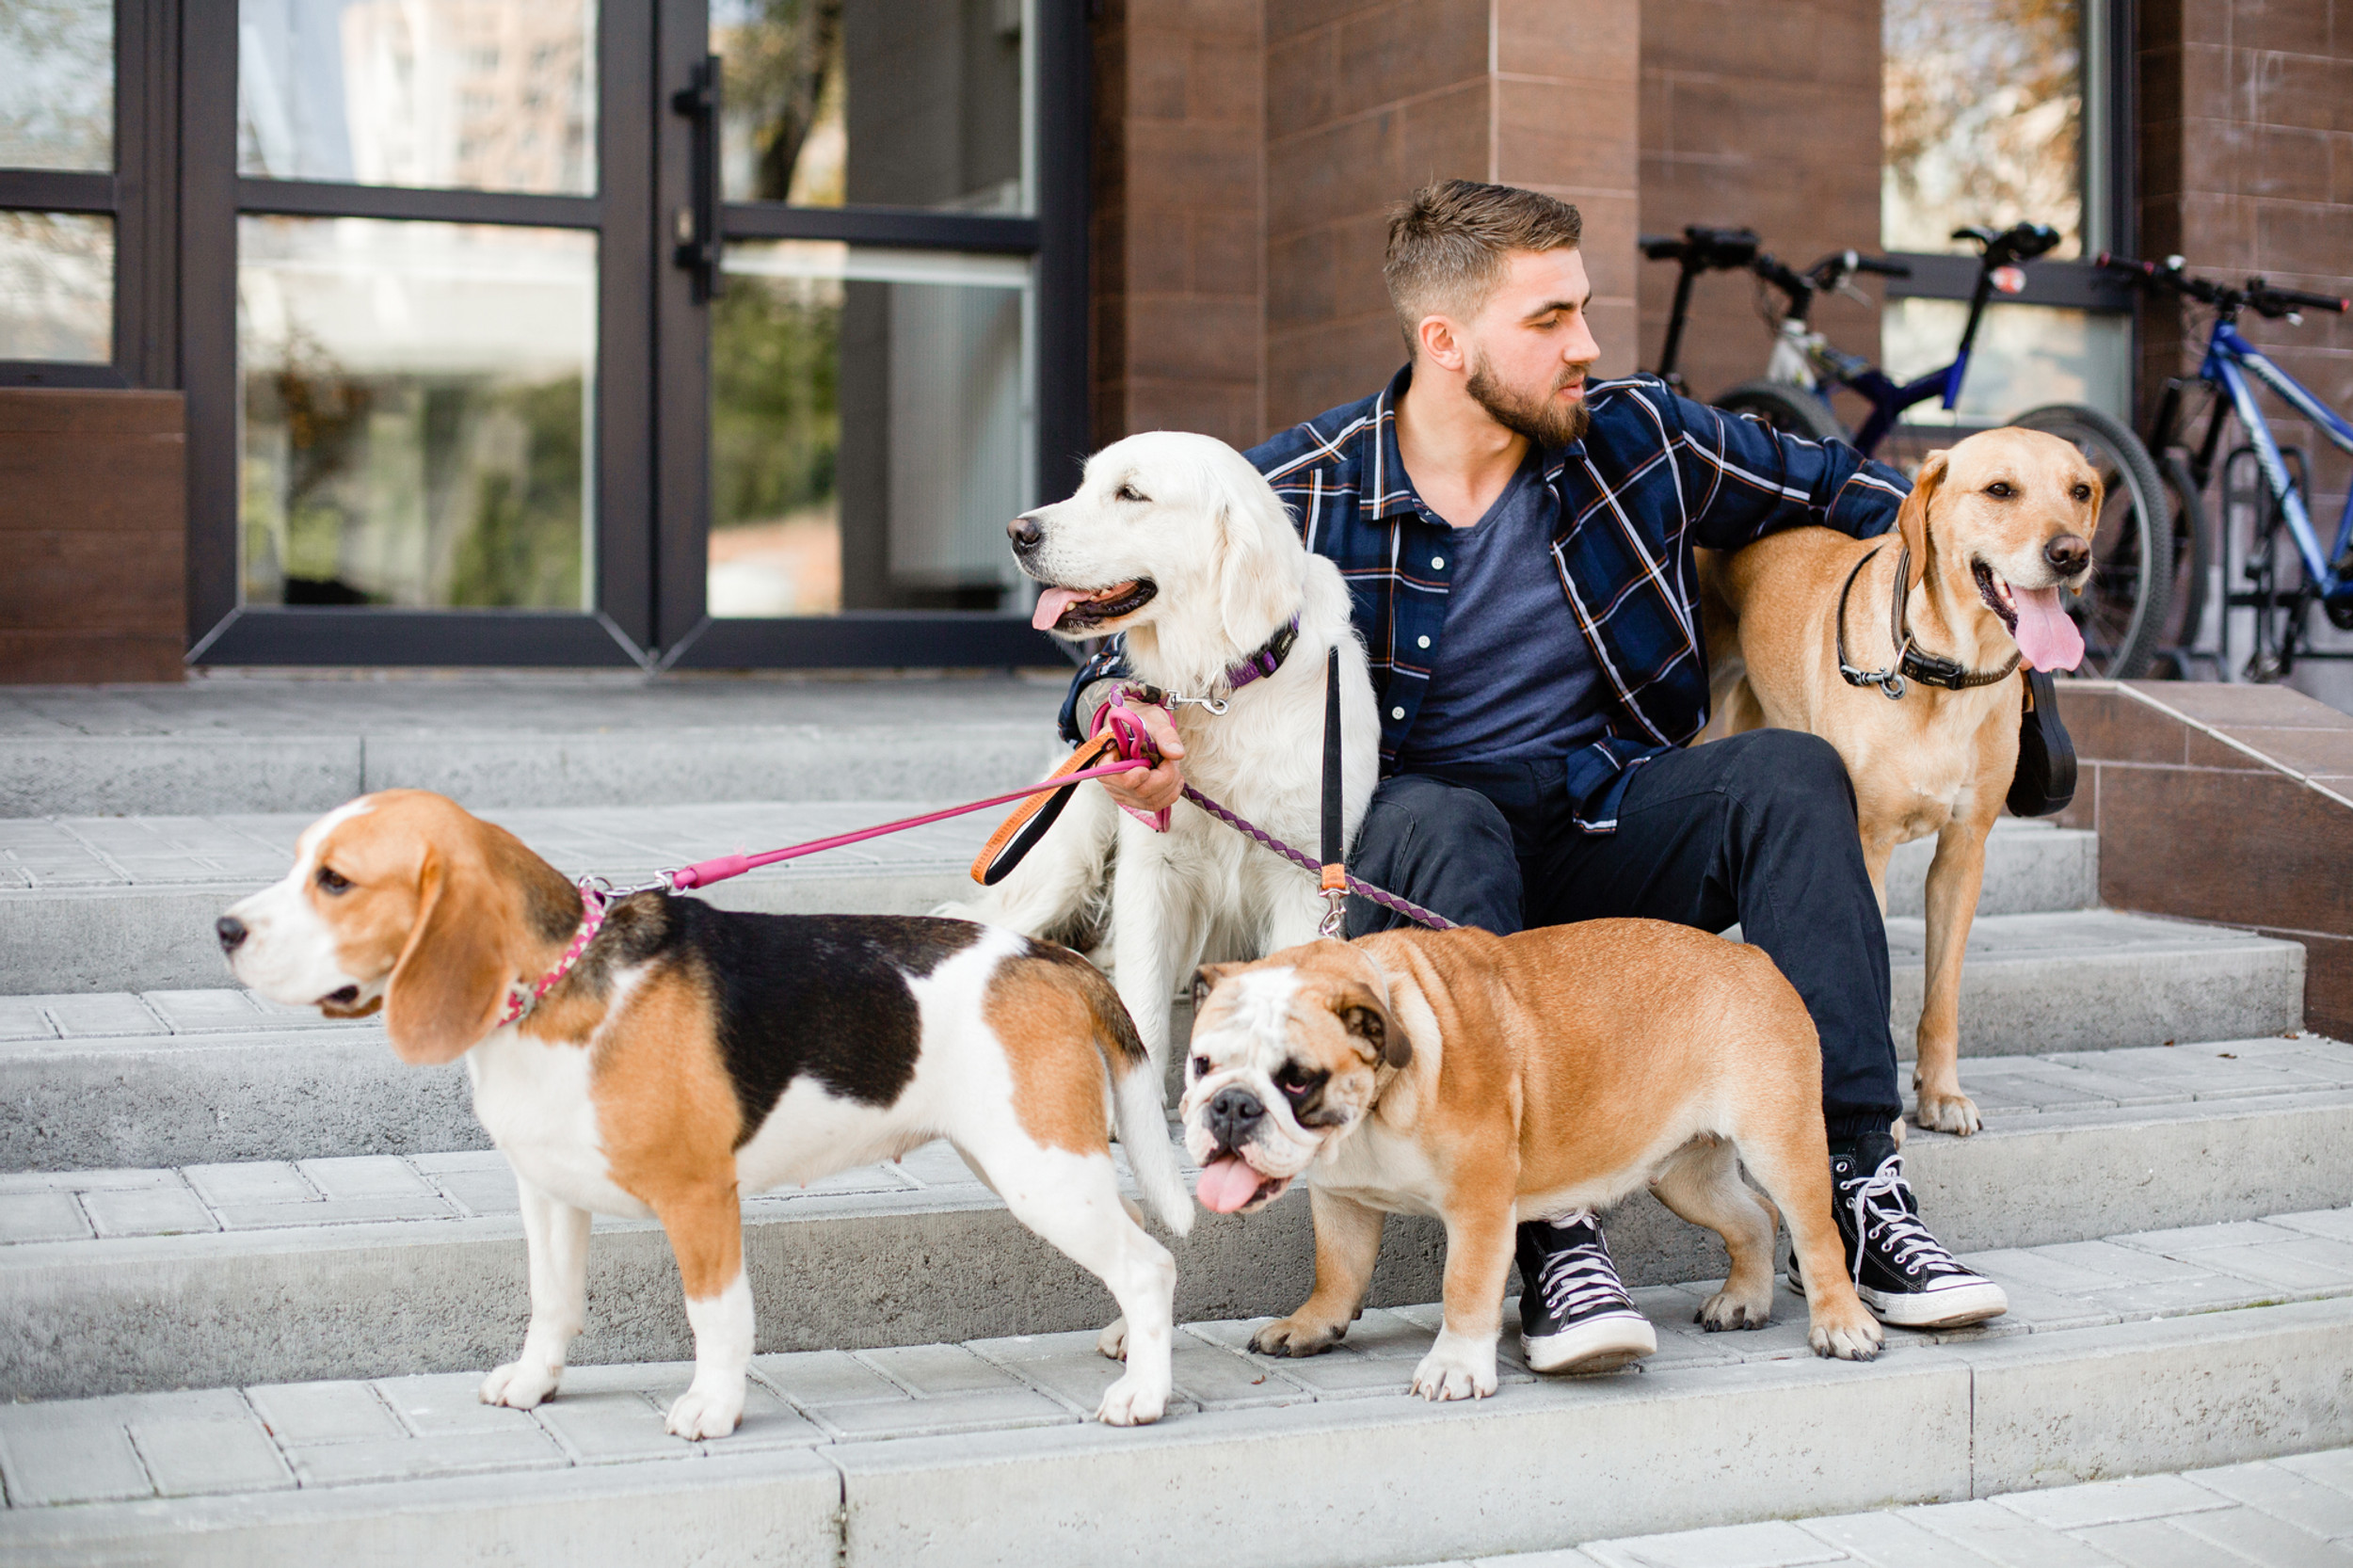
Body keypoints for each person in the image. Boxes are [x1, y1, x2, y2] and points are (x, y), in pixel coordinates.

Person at [1059, 179, 2007, 1372]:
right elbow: (1107, 655)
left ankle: (1859, 1183)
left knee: (1788, 773)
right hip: (1433, 864)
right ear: (1444, 342)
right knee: (1439, 812)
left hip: (1615, 815)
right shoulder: (1306, 486)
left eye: (1585, 310)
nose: (1588, 345)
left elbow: (1850, 491)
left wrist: (1973, 584)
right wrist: (1123, 724)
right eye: (1551, 318)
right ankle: (1554, 1230)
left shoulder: (1637, 433)